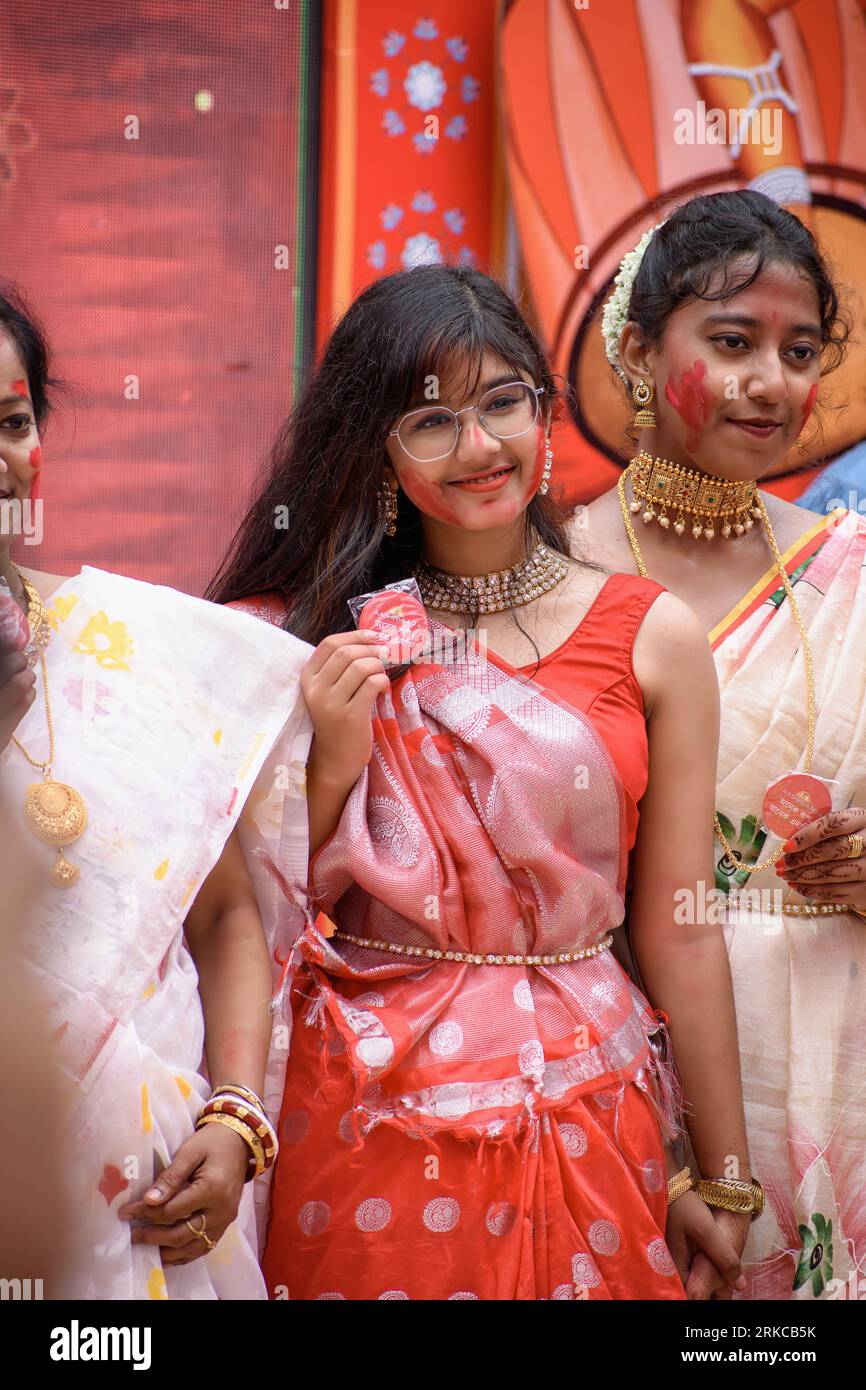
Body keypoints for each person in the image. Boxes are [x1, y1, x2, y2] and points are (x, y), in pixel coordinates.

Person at [208, 263, 761, 1301]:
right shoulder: (300, 638)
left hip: (592, 1099)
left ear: (544, 412)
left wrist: (717, 1175)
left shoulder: (649, 635)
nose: (478, 447)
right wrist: (331, 756)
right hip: (367, 1102)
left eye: (502, 402)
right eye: (429, 421)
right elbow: (243, 915)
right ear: (375, 449)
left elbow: (679, 928)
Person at [0, 283, 313, 1298]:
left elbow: (224, 914)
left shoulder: (132, 649)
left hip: (158, 1204)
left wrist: (233, 1117)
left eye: (9, 422)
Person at [582, 188, 866, 1299]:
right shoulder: (549, 573)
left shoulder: (850, 573)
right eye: (733, 341)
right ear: (640, 352)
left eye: (799, 352)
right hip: (600, 1059)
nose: (770, 382)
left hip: (833, 1063)